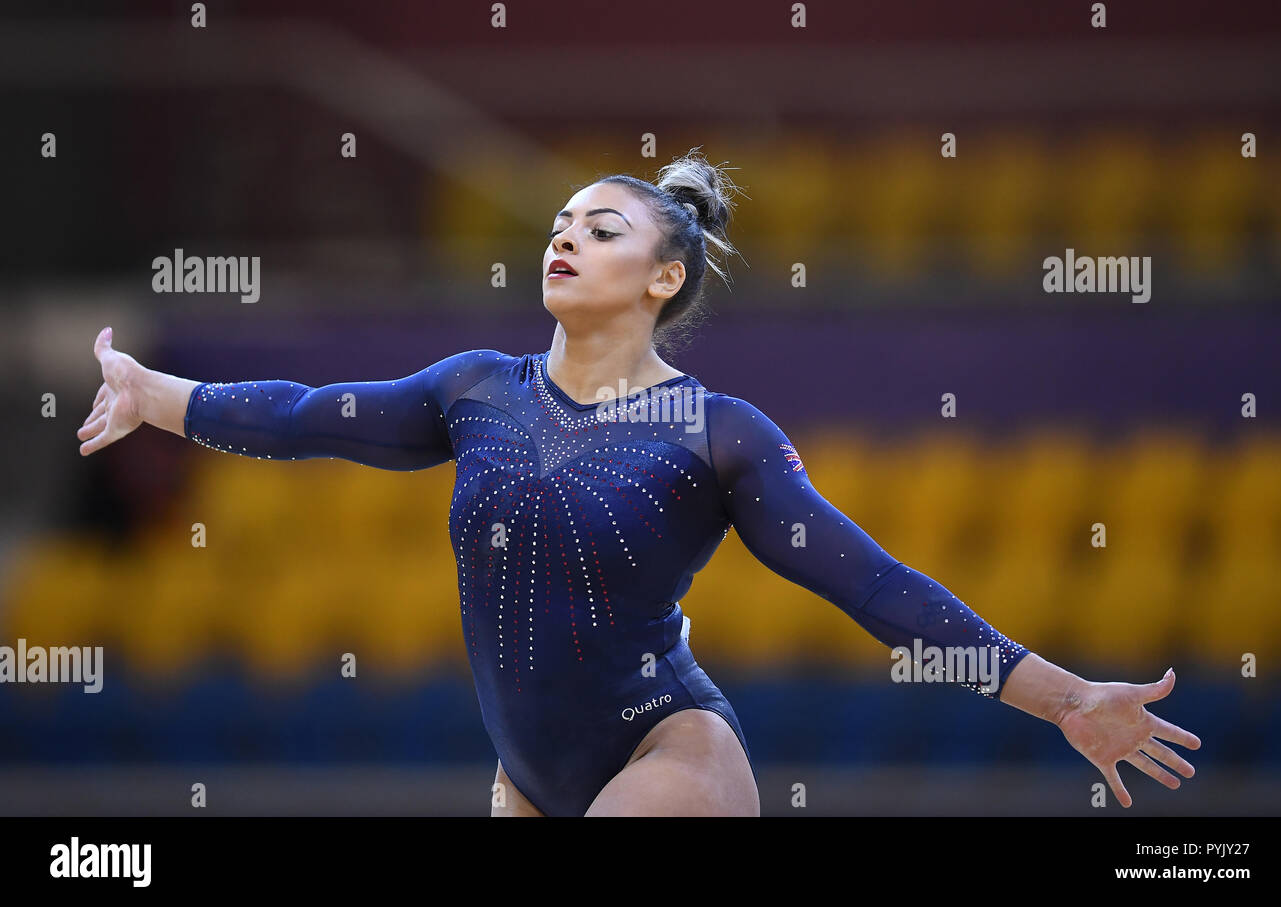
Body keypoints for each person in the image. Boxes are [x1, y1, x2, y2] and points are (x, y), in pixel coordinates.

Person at [78, 148, 1199, 816]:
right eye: (560, 224)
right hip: (526, 784)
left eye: (599, 228)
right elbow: (308, 415)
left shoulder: (717, 437)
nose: (563, 237)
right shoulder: (475, 390)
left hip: (672, 754)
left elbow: (877, 589)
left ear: (664, 275)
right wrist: (151, 391)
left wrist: (1067, 697)